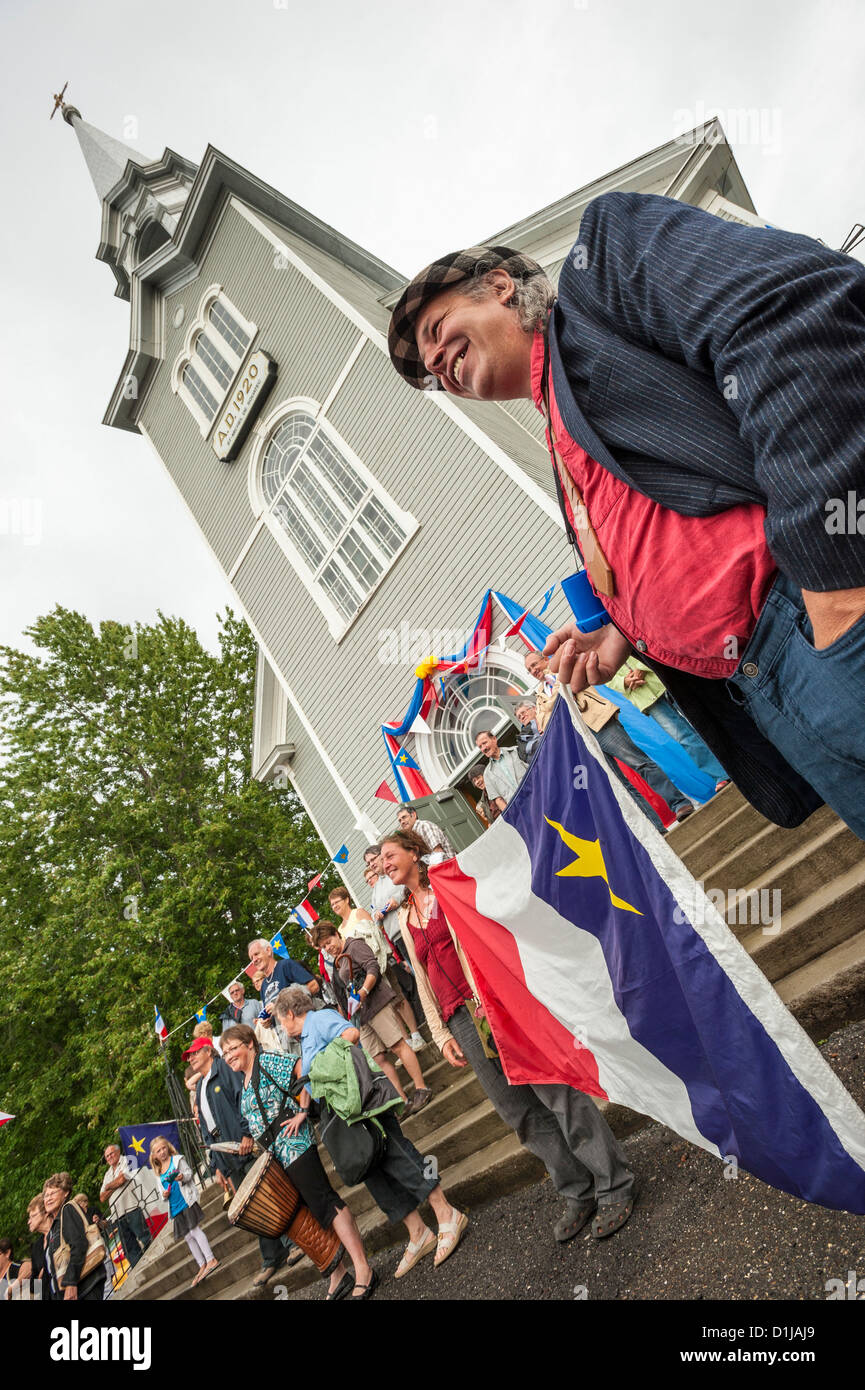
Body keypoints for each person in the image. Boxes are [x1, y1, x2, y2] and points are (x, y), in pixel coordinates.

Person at [387, 215, 865, 840]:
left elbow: (791, 313)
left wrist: (837, 581)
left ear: (500, 285)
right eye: (428, 369)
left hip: (816, 614)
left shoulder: (604, 268)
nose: (434, 362)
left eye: (434, 330)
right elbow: (670, 534)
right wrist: (622, 633)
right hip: (766, 682)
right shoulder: (560, 436)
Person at [381, 829, 636, 1242]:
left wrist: (488, 993)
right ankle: (578, 1190)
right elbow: (424, 978)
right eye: (381, 860)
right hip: (461, 1020)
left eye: (390, 854)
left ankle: (614, 1181)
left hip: (495, 1000)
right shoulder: (404, 919)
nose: (383, 863)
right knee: (518, 1112)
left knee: (554, 1091)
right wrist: (441, 1031)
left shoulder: (447, 880)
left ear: (414, 852)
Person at [274, 986, 468, 1278]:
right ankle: (418, 1233)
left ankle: (446, 1212)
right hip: (344, 1114)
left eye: (280, 1020)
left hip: (364, 1104)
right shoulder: (305, 1038)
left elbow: (350, 1036)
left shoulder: (319, 1019)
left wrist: (319, 1071)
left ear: (290, 1013)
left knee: (401, 1155)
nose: (281, 1027)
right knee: (374, 1173)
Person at [221, 1022, 376, 1300]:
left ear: (249, 1044)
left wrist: (303, 1110)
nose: (229, 1055)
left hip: (295, 1145)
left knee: (326, 1203)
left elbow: (303, 1070)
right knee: (309, 1214)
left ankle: (363, 1268)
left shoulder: (267, 1059)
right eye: (225, 1052)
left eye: (233, 1048)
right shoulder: (243, 1081)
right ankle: (337, 1274)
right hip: (276, 1158)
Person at [524, 651, 692, 832]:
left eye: (534, 664)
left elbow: (566, 691)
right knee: (620, 785)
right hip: (582, 741)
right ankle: (655, 828)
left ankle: (679, 804)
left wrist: (554, 703)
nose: (533, 670)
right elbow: (543, 722)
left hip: (602, 724)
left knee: (641, 763)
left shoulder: (565, 670)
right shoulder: (540, 695)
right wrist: (555, 703)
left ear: (545, 659)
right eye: (529, 669)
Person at [184, 1034, 295, 1284]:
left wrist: (247, 1133)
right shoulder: (200, 1086)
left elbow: (242, 1098)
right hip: (226, 1155)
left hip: (245, 1146)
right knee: (252, 1207)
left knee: (270, 1194)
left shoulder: (224, 1068)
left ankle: (294, 1243)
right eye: (189, 1056)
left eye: (194, 1053)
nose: (190, 1058)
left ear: (208, 1052)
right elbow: (205, 1128)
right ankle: (271, 1258)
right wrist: (216, 1165)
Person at [309, 923, 432, 1116]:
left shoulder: (354, 946)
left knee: (398, 1045)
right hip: (360, 1017)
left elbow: (372, 967)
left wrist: (363, 992)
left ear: (336, 934)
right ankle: (402, 1100)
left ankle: (421, 1088)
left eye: (328, 941)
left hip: (376, 1004)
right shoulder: (336, 963)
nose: (328, 947)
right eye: (323, 946)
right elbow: (341, 996)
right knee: (378, 1059)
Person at [604, 659, 730, 791]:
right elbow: (602, 675)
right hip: (643, 696)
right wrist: (624, 682)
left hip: (663, 676)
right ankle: (720, 774)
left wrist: (642, 666)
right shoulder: (588, 649)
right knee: (683, 737)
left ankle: (737, 762)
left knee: (705, 720)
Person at [329, 883, 424, 1051]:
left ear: (346, 900)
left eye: (337, 901)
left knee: (398, 999)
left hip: (376, 961)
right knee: (387, 1006)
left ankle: (416, 1034)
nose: (335, 906)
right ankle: (405, 1039)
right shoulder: (339, 929)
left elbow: (375, 933)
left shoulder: (358, 913)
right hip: (363, 973)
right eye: (332, 904)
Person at [364, 844, 425, 1030]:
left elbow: (408, 885)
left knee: (426, 967)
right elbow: (375, 918)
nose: (372, 864)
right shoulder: (375, 892)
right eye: (368, 862)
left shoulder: (394, 874)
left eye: (373, 859)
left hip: (412, 925)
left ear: (382, 856)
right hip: (397, 937)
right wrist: (378, 917)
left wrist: (396, 900)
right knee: (419, 975)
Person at [150, 1136, 218, 1288]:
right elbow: (162, 1194)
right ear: (154, 1155)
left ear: (168, 1147)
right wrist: (164, 1195)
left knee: (194, 1230)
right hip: (174, 1207)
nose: (162, 1152)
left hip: (185, 1201)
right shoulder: (158, 1172)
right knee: (187, 1237)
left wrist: (181, 1177)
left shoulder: (177, 1160)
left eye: (163, 1148)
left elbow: (189, 1174)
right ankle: (202, 1265)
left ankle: (211, 1259)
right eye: (158, 1151)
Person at [248, 937, 319, 1054]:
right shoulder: (264, 985)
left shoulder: (286, 965)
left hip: (307, 1033)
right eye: (251, 958)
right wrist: (267, 1021)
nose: (254, 960)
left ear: (269, 951)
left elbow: (313, 985)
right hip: (286, 1043)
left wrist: (280, 1005)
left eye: (256, 954)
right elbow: (274, 1013)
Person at [43, 1172, 107, 1301]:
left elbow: (79, 1244)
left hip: (85, 1285)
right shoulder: (55, 1225)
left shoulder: (67, 1210)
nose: (48, 1198)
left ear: (65, 1192)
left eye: (53, 1193)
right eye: (46, 1195)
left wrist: (71, 1283)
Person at [99, 1141, 152, 1269]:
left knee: (144, 1236)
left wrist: (108, 1186)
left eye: (111, 1153)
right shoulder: (107, 1174)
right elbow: (102, 1197)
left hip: (132, 1206)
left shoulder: (127, 1160)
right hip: (118, 1214)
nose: (110, 1157)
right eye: (107, 1156)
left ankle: (154, 1259)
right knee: (128, 1247)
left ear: (118, 1152)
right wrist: (114, 1184)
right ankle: (140, 1269)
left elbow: (123, 1179)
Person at [474, 729, 527, 811]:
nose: (483, 748)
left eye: (484, 743)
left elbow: (536, 771)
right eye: (480, 747)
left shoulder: (516, 751)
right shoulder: (487, 775)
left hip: (541, 797)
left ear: (494, 739)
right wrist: (514, 817)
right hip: (523, 811)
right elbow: (498, 800)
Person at [514, 699, 543, 765]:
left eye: (523, 712)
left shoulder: (548, 715)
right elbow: (529, 758)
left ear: (534, 708)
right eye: (519, 717)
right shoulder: (522, 738)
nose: (522, 717)